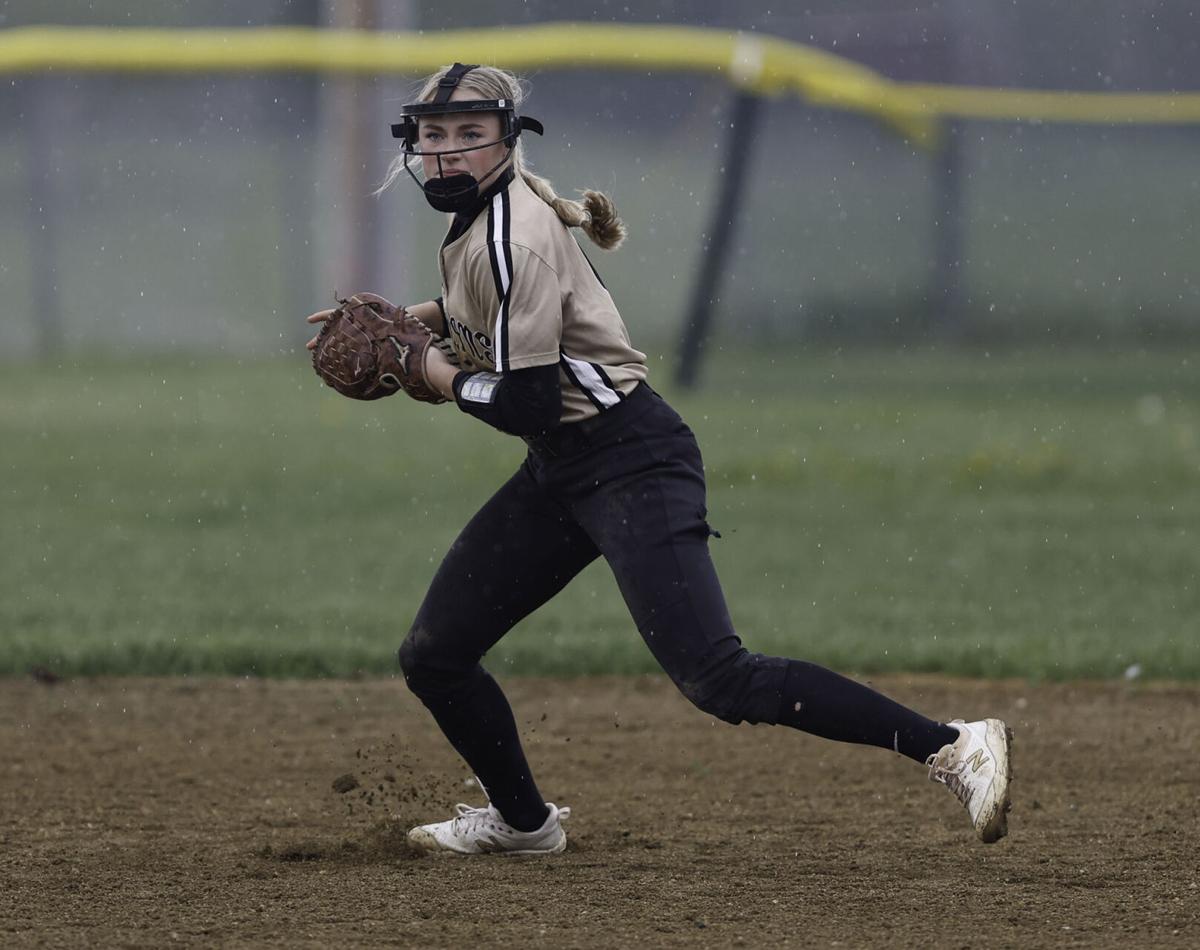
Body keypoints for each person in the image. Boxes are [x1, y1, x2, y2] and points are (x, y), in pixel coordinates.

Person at [306, 63, 1013, 856]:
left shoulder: (515, 233)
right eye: (434, 137)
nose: (448, 155)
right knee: (435, 656)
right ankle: (524, 824)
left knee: (720, 678)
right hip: (564, 468)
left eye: (470, 137)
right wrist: (413, 321)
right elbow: (493, 318)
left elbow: (528, 403)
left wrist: (424, 368)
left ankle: (954, 745)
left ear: (508, 143)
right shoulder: (484, 218)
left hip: (631, 461)